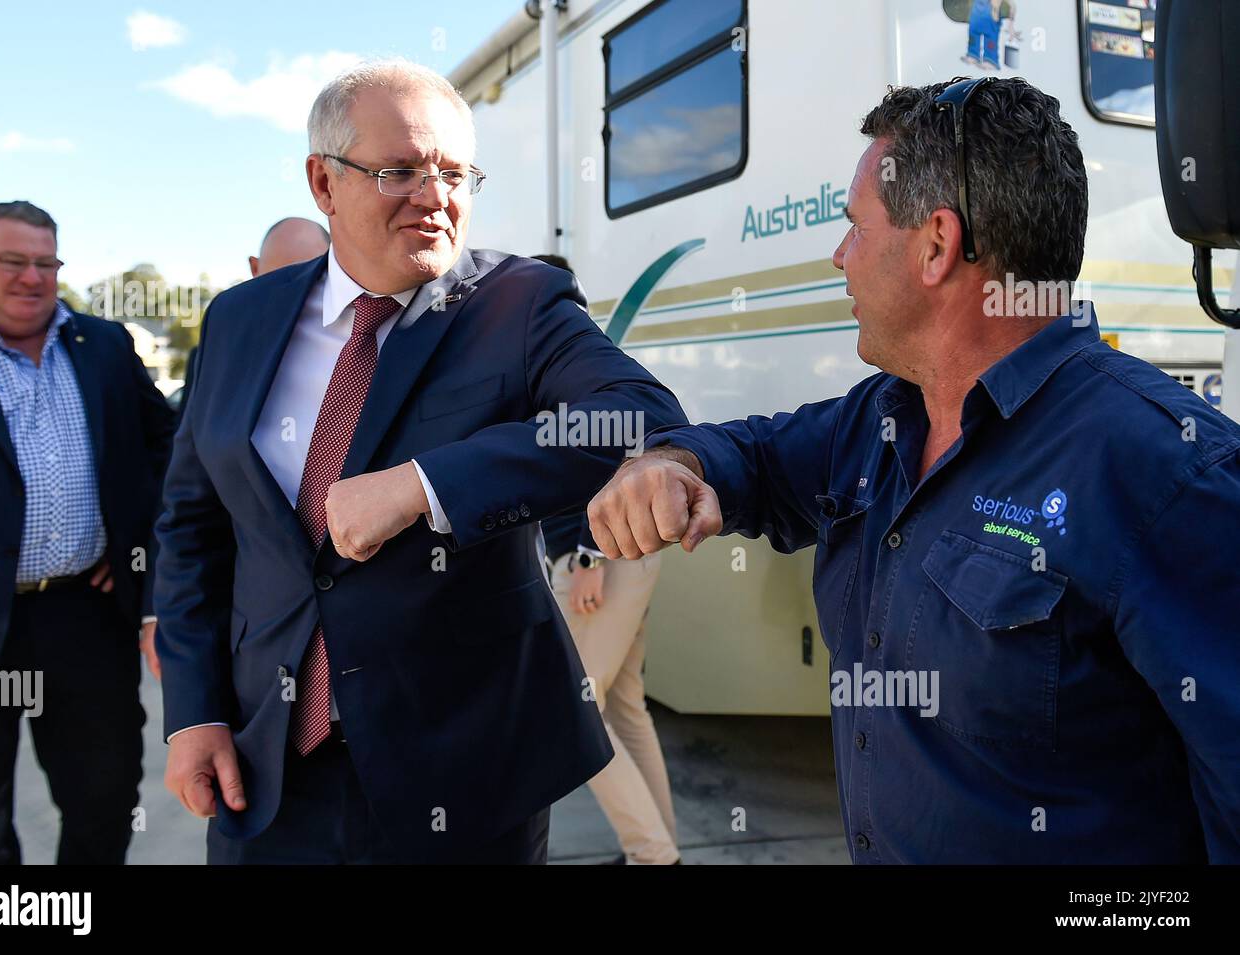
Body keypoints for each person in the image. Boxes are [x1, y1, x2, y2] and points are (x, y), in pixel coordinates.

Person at [588, 77, 1240, 863]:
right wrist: (672, 462)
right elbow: (755, 455)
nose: (838, 257)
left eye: (854, 230)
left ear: (936, 244)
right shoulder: (879, 419)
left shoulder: (1169, 473)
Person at [155, 59, 687, 864]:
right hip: (268, 774)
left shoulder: (519, 303)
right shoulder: (238, 320)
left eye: (454, 173)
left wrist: (425, 485)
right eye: (399, 170)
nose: (435, 197)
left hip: (465, 775)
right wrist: (193, 711)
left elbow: (637, 420)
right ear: (323, 183)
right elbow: (193, 530)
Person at [0, 201, 175, 863]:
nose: (32, 277)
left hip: (84, 614)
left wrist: (138, 554)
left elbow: (173, 454)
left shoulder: (102, 346)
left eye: (47, 263)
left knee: (103, 796)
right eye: (13, 261)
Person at [533, 254, 679, 866]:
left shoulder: (561, 363)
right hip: (631, 554)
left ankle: (654, 856)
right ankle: (656, 847)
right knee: (623, 705)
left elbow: (597, 454)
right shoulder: (588, 355)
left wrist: (585, 553)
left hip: (602, 556)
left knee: (578, 712)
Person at [180, 217, 331, 410]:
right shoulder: (214, 355)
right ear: (254, 268)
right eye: (277, 281)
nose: (293, 297)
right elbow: (187, 436)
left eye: (312, 278)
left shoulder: (361, 351)